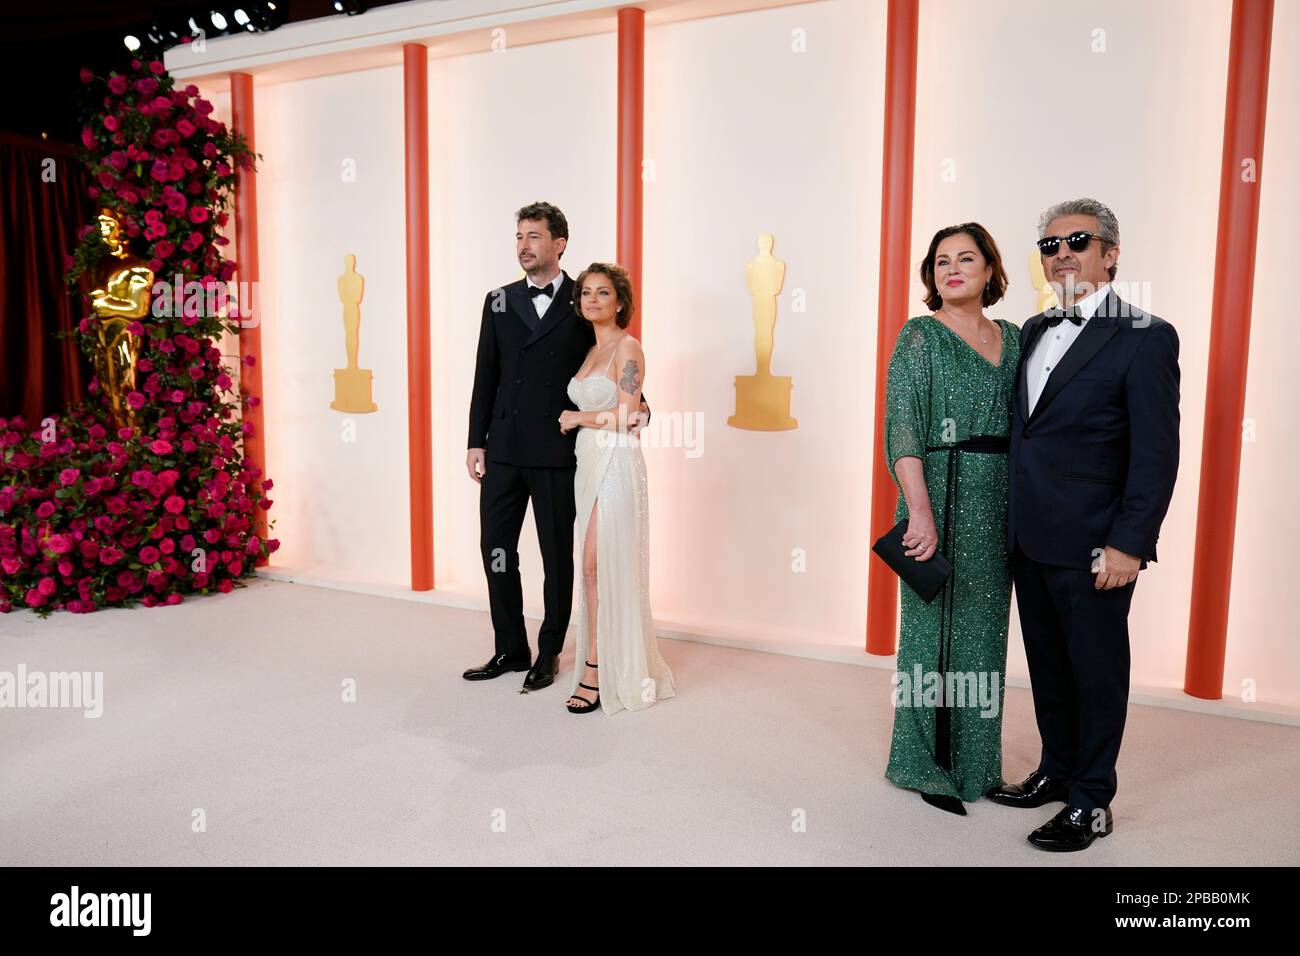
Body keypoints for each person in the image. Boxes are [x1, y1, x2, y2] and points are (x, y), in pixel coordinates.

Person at [988, 198, 1179, 852]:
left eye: (1077, 241)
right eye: (1049, 245)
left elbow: (1156, 453)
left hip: (1098, 543)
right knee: (1046, 664)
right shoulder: (1035, 330)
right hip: (1030, 536)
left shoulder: (1147, 336)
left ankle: (1092, 802)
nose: (1061, 253)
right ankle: (1056, 770)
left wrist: (1130, 542)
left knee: (1095, 673)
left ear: (1110, 253)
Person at [463, 203, 649, 691]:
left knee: (555, 556)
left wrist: (639, 404)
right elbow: (486, 375)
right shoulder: (498, 300)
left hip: (557, 452)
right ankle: (509, 646)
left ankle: (548, 652)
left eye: (534, 237)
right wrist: (474, 442)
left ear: (559, 243)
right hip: (502, 448)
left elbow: (607, 357)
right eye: (519, 236)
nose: (524, 245)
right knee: (496, 549)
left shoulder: (581, 299)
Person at [883, 223, 1020, 815]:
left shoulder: (1016, 338)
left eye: (968, 258)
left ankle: (977, 763)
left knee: (984, 632)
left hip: (1000, 497)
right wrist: (919, 511)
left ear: (990, 270)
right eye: (942, 261)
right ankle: (923, 762)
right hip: (934, 490)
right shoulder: (919, 336)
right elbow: (904, 429)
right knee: (928, 629)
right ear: (932, 276)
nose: (954, 269)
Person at [559, 263, 676, 714]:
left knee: (598, 564)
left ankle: (598, 666)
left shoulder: (628, 349)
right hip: (587, 462)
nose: (592, 300)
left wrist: (578, 417)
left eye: (602, 293)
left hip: (615, 462)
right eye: (586, 293)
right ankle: (600, 657)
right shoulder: (591, 351)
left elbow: (630, 416)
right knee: (590, 567)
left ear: (620, 302)